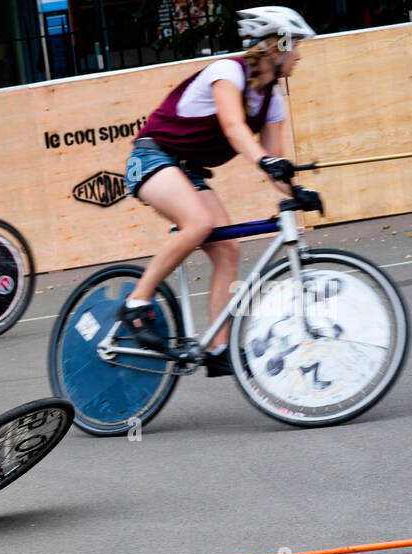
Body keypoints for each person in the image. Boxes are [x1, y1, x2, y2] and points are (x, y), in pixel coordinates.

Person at [119, 6, 322, 377]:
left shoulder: (272, 100)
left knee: (228, 249)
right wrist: (265, 161)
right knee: (196, 223)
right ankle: (136, 303)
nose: (299, 56)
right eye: (296, 47)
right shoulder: (228, 72)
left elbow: (274, 162)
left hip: (185, 170)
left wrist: (296, 190)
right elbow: (232, 125)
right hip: (151, 157)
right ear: (278, 46)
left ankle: (218, 347)